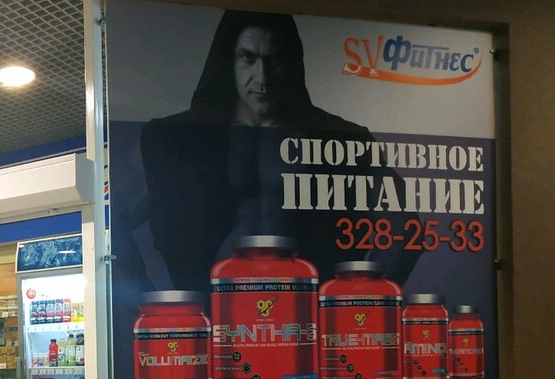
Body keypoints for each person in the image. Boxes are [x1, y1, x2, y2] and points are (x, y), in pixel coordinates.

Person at [140, 10, 415, 291]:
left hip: (307, 304)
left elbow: (402, 223)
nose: (262, 78)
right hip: (211, 306)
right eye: (248, 58)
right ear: (228, 61)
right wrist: (141, 296)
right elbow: (118, 212)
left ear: (292, 63)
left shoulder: (344, 139)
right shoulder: (172, 137)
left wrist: (361, 297)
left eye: (275, 61)